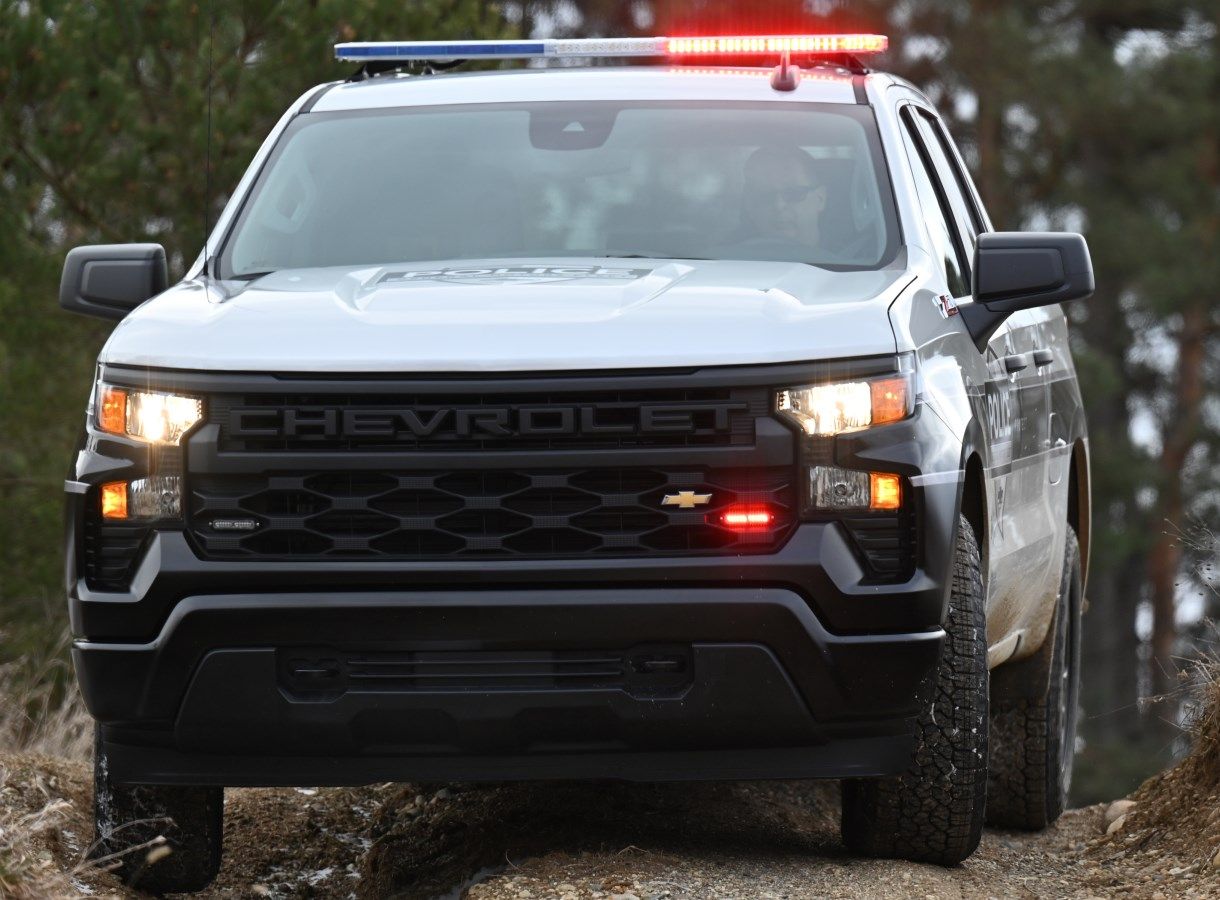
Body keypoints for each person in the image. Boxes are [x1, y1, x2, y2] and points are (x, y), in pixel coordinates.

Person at [737, 146, 828, 248]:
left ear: (821, 198)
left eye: (793, 193)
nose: (778, 205)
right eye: (765, 195)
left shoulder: (847, 259)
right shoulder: (722, 258)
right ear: (749, 204)